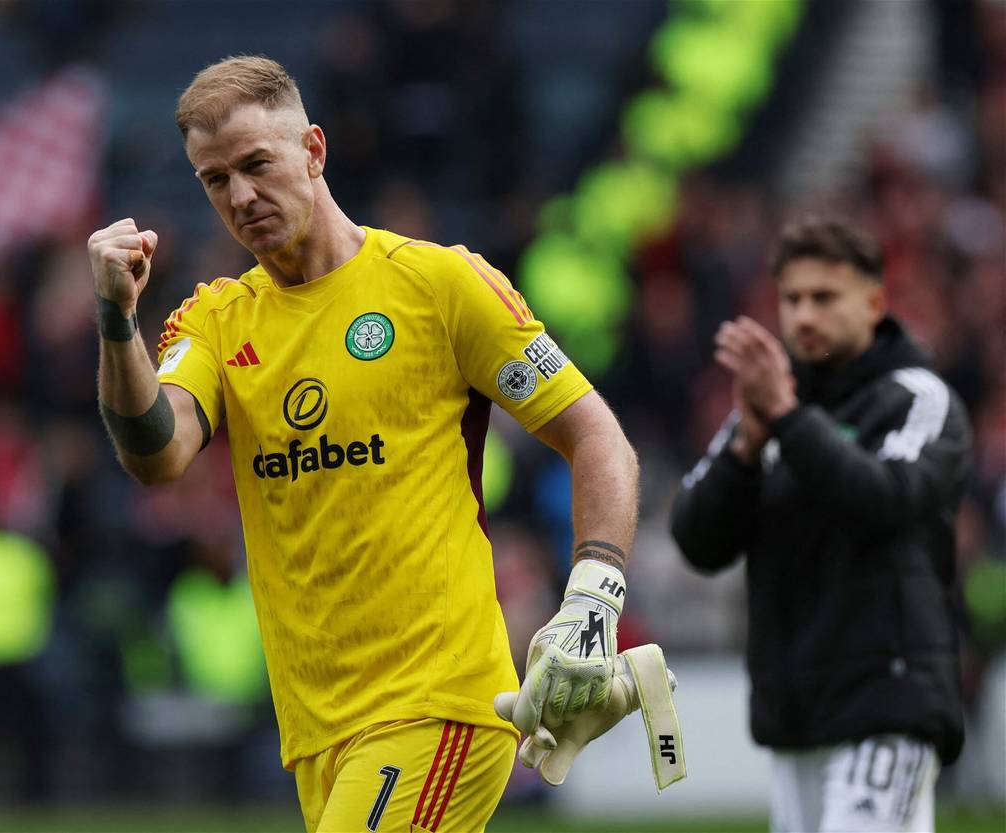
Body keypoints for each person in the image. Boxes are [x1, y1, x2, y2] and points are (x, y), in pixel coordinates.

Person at [88, 56, 644, 832]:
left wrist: (593, 600)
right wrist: (117, 323)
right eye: (215, 180)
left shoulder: (441, 288)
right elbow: (156, 452)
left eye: (257, 165)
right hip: (319, 730)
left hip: (437, 701)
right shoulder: (216, 320)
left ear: (313, 151)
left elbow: (598, 439)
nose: (241, 196)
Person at [671, 217, 972, 833]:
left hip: (889, 701)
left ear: (875, 302)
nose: (805, 315)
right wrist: (745, 452)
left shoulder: (915, 397)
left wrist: (786, 419)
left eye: (825, 298)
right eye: (792, 298)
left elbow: (886, 498)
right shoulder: (771, 409)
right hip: (799, 710)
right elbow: (697, 540)